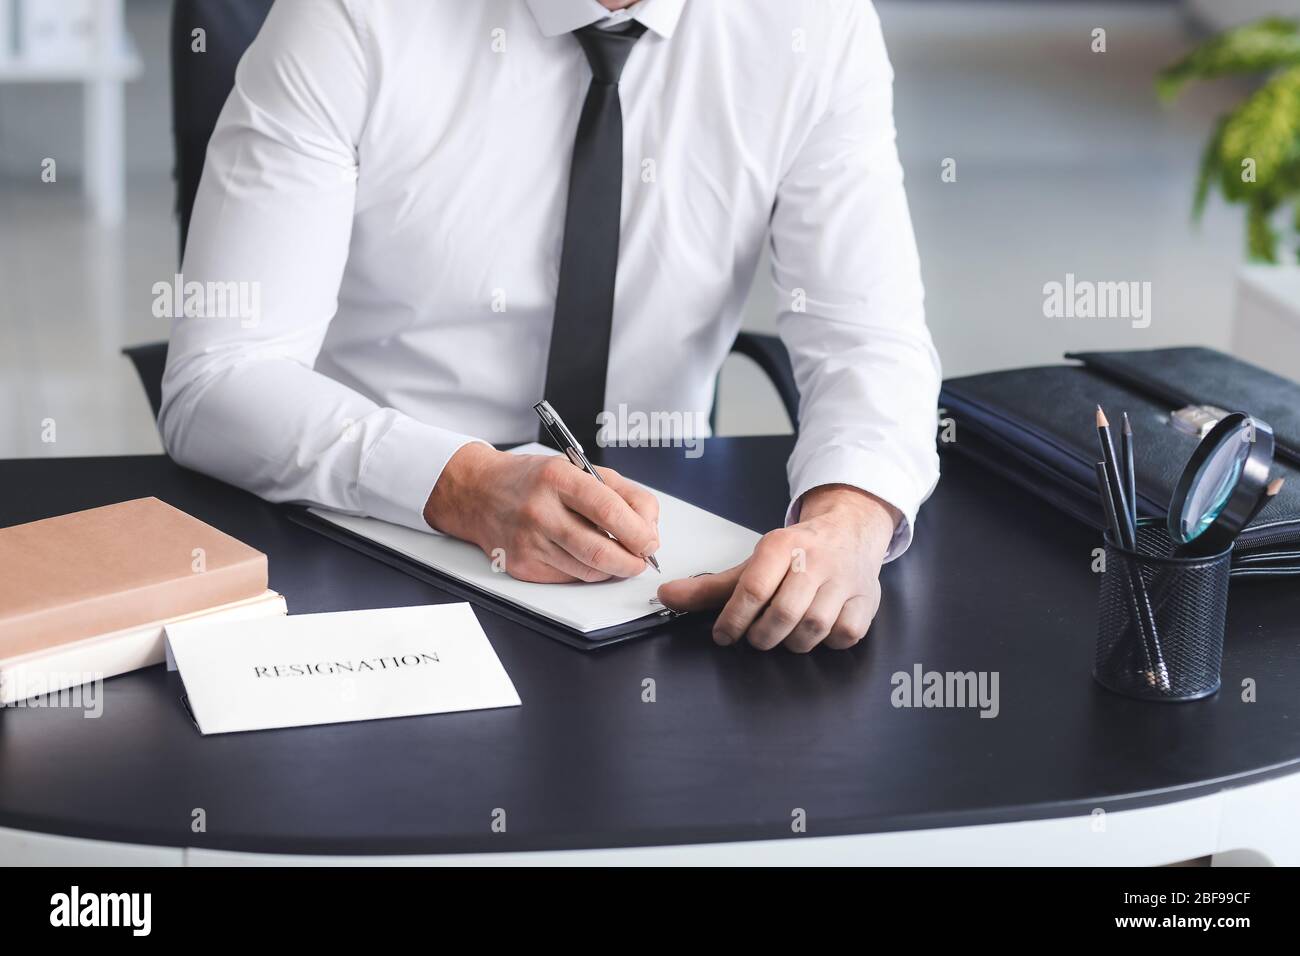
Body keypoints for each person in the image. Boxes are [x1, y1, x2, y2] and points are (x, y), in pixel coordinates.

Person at [160, 0, 941, 652]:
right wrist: (460, 486)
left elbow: (870, 337)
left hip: (660, 562)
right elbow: (219, 378)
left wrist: (849, 521)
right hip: (376, 534)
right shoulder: (351, 14)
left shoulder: (813, 23)